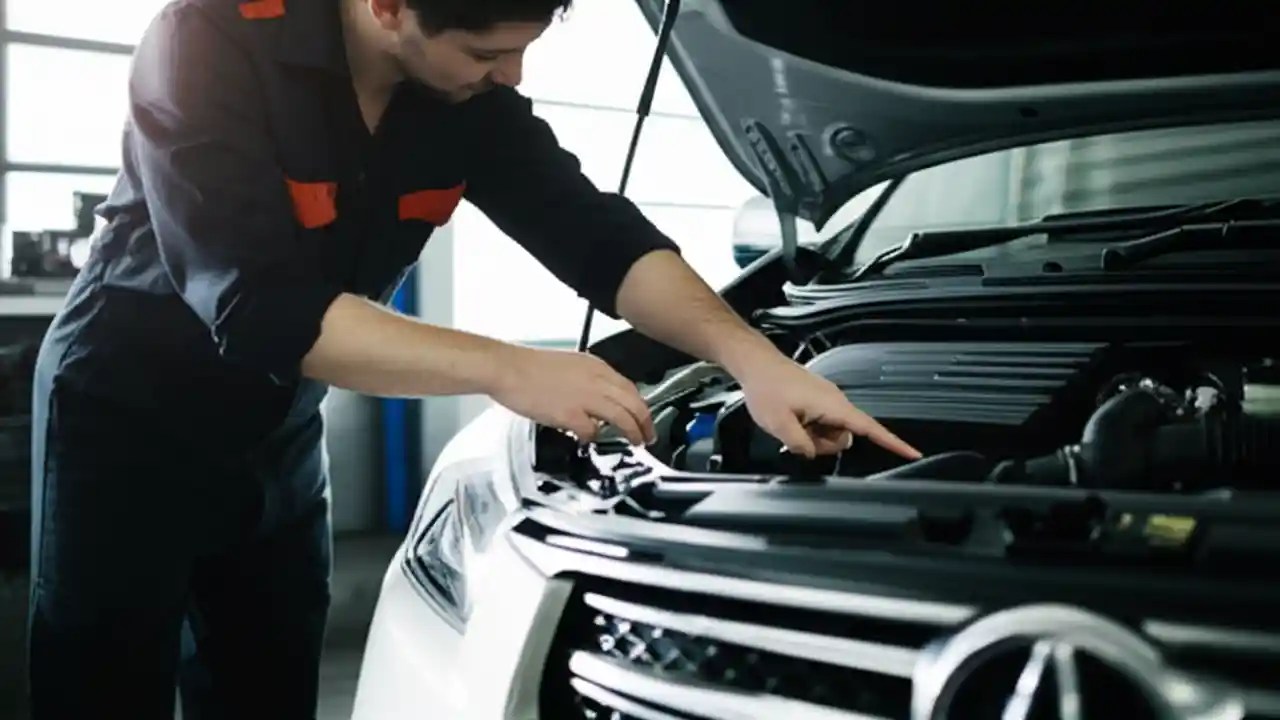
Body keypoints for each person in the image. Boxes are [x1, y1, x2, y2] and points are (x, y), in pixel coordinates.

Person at [26, 0, 921, 716]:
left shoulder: (465, 99)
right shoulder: (207, 39)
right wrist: (510, 367)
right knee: (103, 681)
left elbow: (595, 235)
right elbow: (255, 305)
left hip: (276, 419)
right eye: (489, 54)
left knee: (263, 679)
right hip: (128, 411)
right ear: (387, 9)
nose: (512, 75)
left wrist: (753, 358)